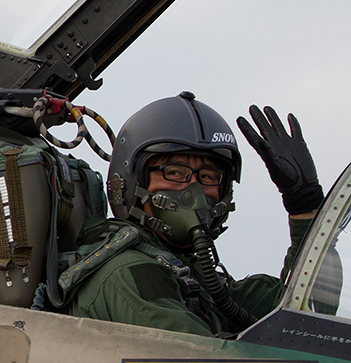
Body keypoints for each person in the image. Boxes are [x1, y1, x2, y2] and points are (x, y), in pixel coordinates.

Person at [62, 92, 322, 337]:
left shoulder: (198, 280)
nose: (193, 191)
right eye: (174, 172)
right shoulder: (130, 274)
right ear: (129, 183)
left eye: (208, 177)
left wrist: (305, 206)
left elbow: (308, 312)